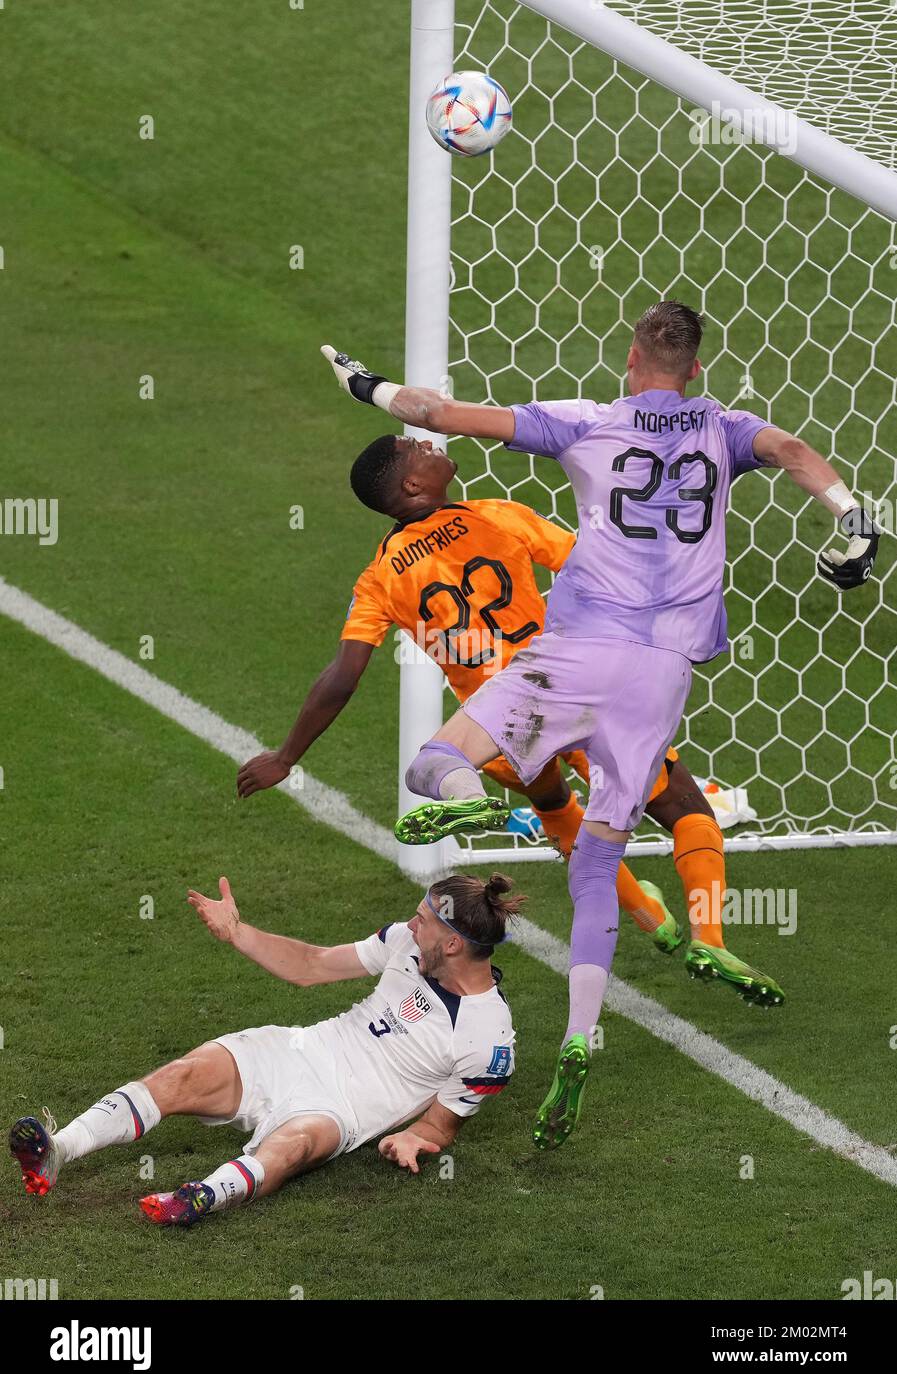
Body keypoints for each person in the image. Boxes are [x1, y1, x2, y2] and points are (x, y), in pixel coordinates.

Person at [320, 301, 879, 1148]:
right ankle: (614, 1003)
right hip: (659, 676)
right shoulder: (729, 429)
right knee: (614, 848)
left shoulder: (584, 423)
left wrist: (362, 382)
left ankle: (478, 809)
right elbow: (795, 454)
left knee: (440, 764)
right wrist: (850, 514)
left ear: (629, 361)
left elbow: (432, 414)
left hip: (566, 659)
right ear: (694, 370)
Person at [236, 431, 782, 1004]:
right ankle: (709, 935)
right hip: (574, 691)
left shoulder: (379, 578)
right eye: (413, 447)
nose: (427, 441)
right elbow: (597, 571)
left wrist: (286, 756)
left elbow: (342, 677)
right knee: (682, 807)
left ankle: (648, 913)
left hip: (493, 732)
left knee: (555, 806)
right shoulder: (497, 515)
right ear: (413, 485)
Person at [9, 873, 518, 1224]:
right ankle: (59, 1150)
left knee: (292, 1148)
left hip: (341, 1109)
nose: (410, 926)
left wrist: (415, 1138)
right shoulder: (405, 944)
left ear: (452, 944)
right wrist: (237, 933)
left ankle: (203, 1197)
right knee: (181, 1075)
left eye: (422, 919)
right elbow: (313, 964)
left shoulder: (488, 1041)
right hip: (297, 1051)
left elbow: (439, 1126)